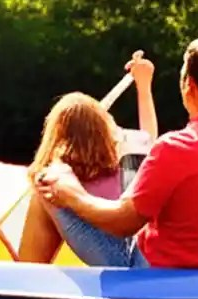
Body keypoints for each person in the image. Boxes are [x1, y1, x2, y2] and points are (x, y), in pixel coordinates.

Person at [35, 37, 198, 269]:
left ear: (189, 85)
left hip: (152, 274)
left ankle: (24, 287)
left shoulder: (175, 147)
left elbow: (122, 223)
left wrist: (71, 193)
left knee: (46, 182)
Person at [17, 52, 158, 263]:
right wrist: (144, 86)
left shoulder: (59, 175)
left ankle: (26, 275)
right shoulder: (131, 154)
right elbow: (149, 136)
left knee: (43, 193)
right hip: (134, 249)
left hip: (122, 257)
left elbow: (45, 173)